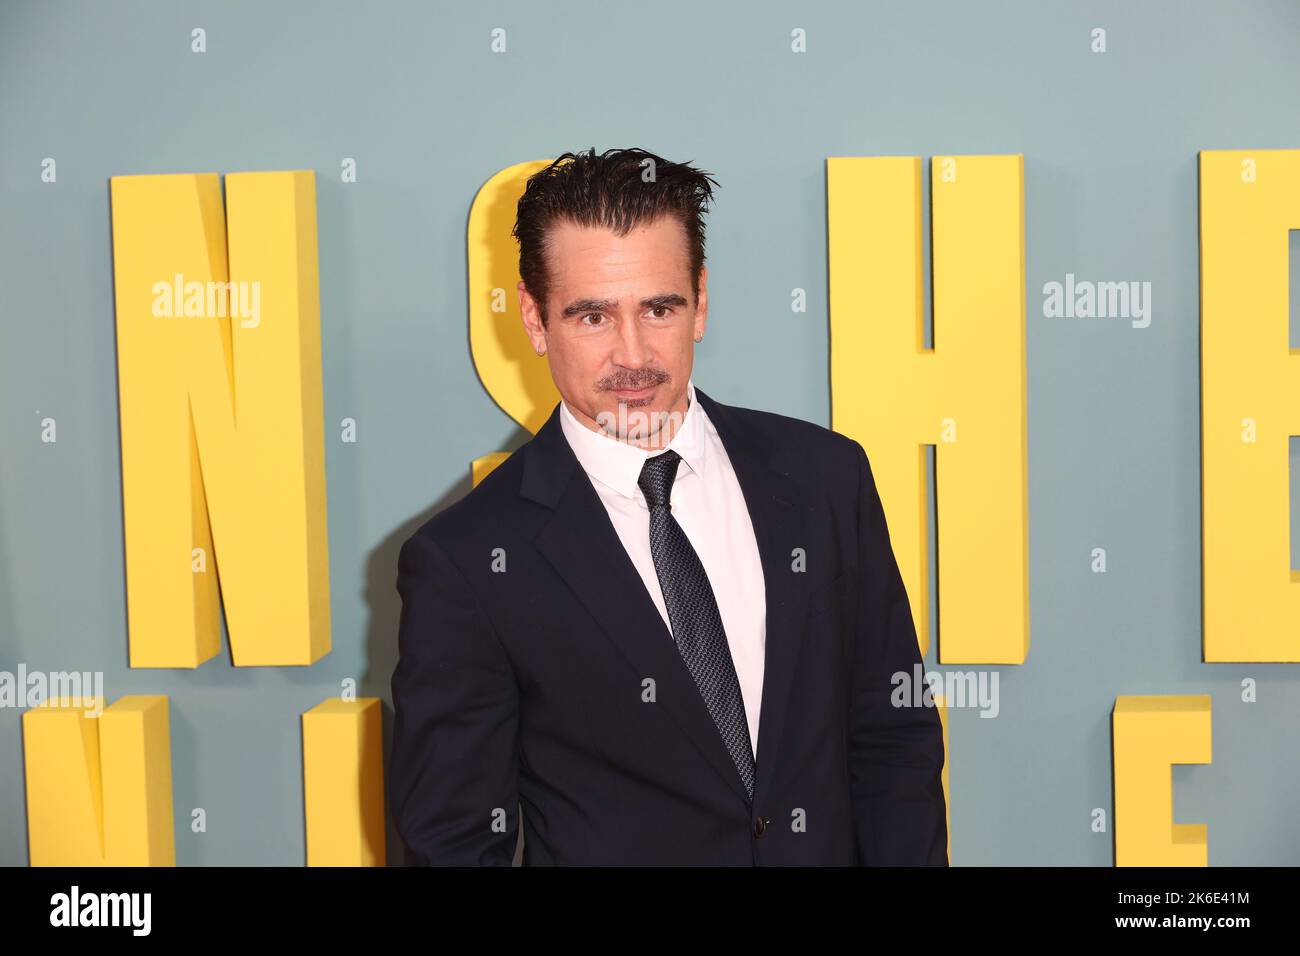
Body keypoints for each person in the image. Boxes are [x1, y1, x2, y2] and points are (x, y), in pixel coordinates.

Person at [389, 147, 948, 865]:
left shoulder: (824, 479)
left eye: (659, 308)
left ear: (701, 301)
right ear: (533, 319)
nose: (633, 356)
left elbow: (892, 737)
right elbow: (454, 842)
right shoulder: (467, 562)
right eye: (591, 316)